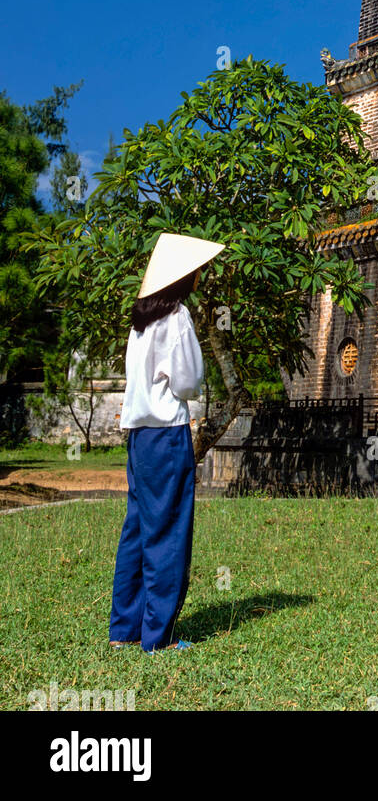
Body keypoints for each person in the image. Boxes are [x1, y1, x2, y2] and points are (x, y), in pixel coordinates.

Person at [109, 232, 224, 653]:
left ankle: (125, 629)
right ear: (181, 278)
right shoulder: (176, 317)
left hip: (139, 438)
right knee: (169, 531)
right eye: (195, 271)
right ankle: (157, 638)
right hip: (166, 434)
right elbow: (190, 382)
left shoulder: (139, 323)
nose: (199, 276)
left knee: (138, 529)